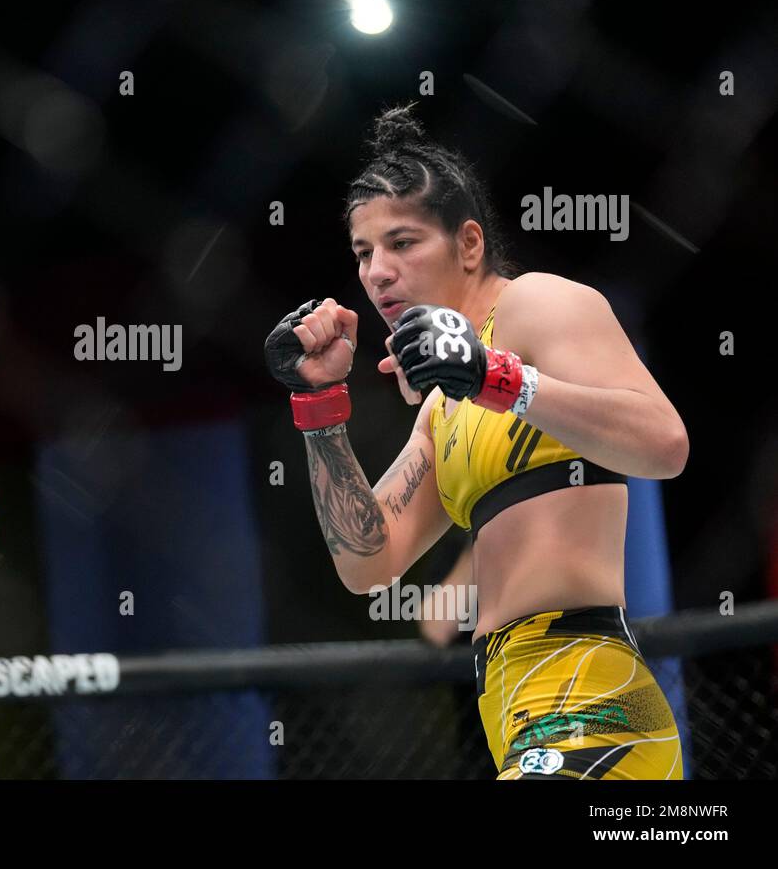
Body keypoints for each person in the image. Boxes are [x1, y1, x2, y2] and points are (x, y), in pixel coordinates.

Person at [265, 102, 688, 779]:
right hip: (514, 703)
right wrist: (320, 407)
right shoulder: (438, 408)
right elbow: (367, 564)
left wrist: (496, 377)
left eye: (402, 243)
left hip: (587, 693)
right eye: (364, 252)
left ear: (468, 244)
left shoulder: (539, 304)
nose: (376, 271)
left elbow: (665, 445)